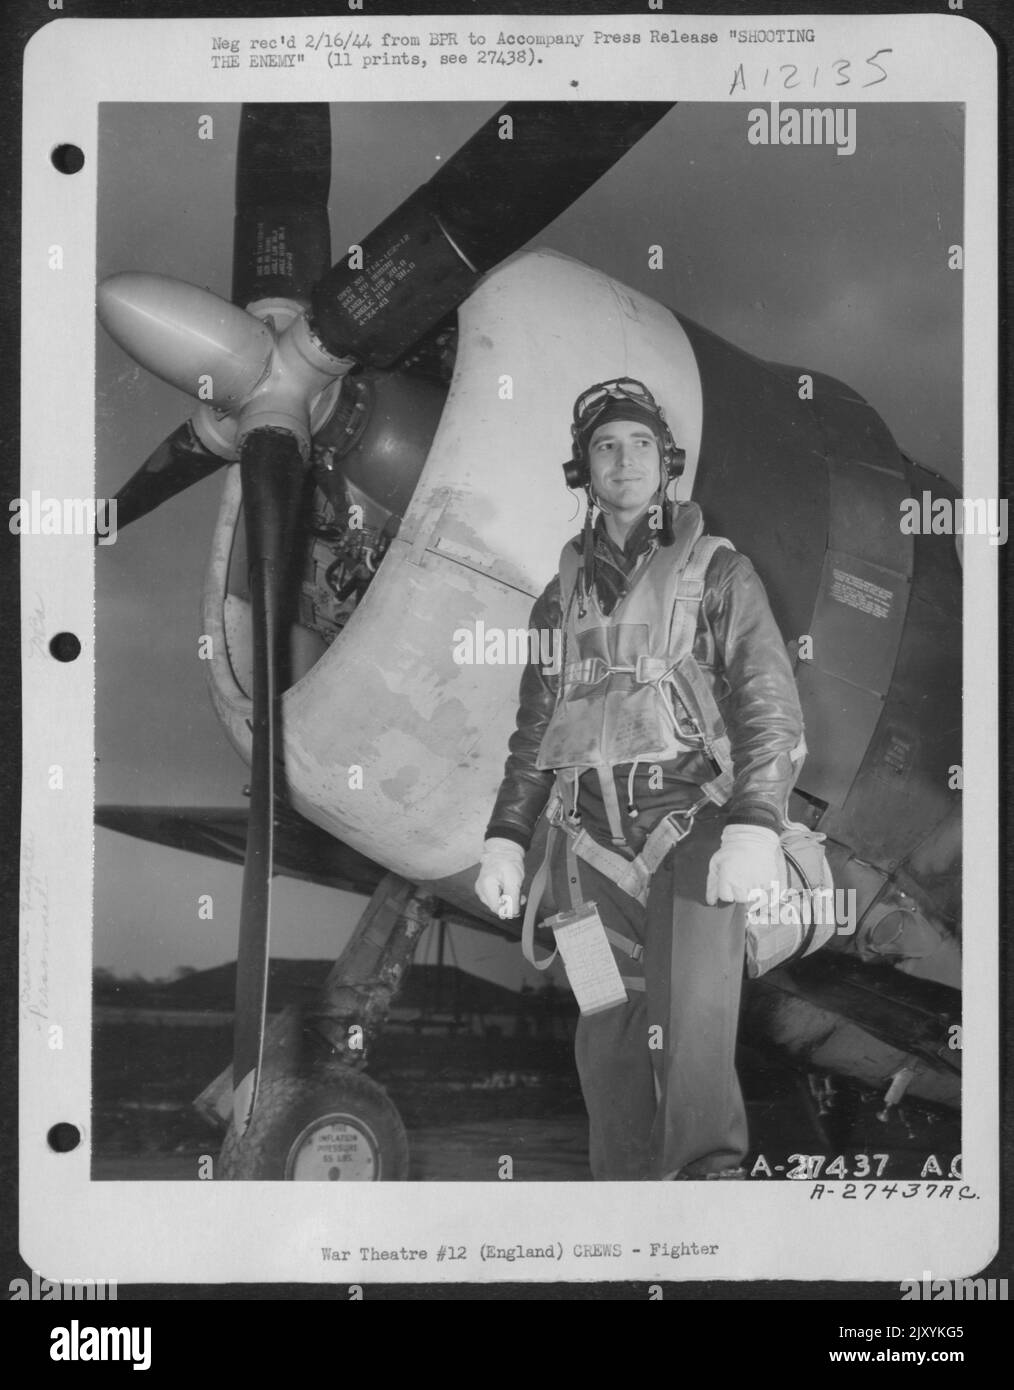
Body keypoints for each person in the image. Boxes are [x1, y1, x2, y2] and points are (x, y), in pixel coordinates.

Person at [474, 378, 806, 1180]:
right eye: (606, 446)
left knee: (692, 1028)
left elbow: (770, 705)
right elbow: (534, 733)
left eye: (641, 445)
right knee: (606, 1031)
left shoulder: (718, 574)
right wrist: (506, 839)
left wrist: (757, 823)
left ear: (669, 466)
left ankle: (706, 1199)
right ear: (583, 469)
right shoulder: (559, 603)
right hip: (584, 857)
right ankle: (621, 1212)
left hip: (693, 837)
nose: (624, 461)